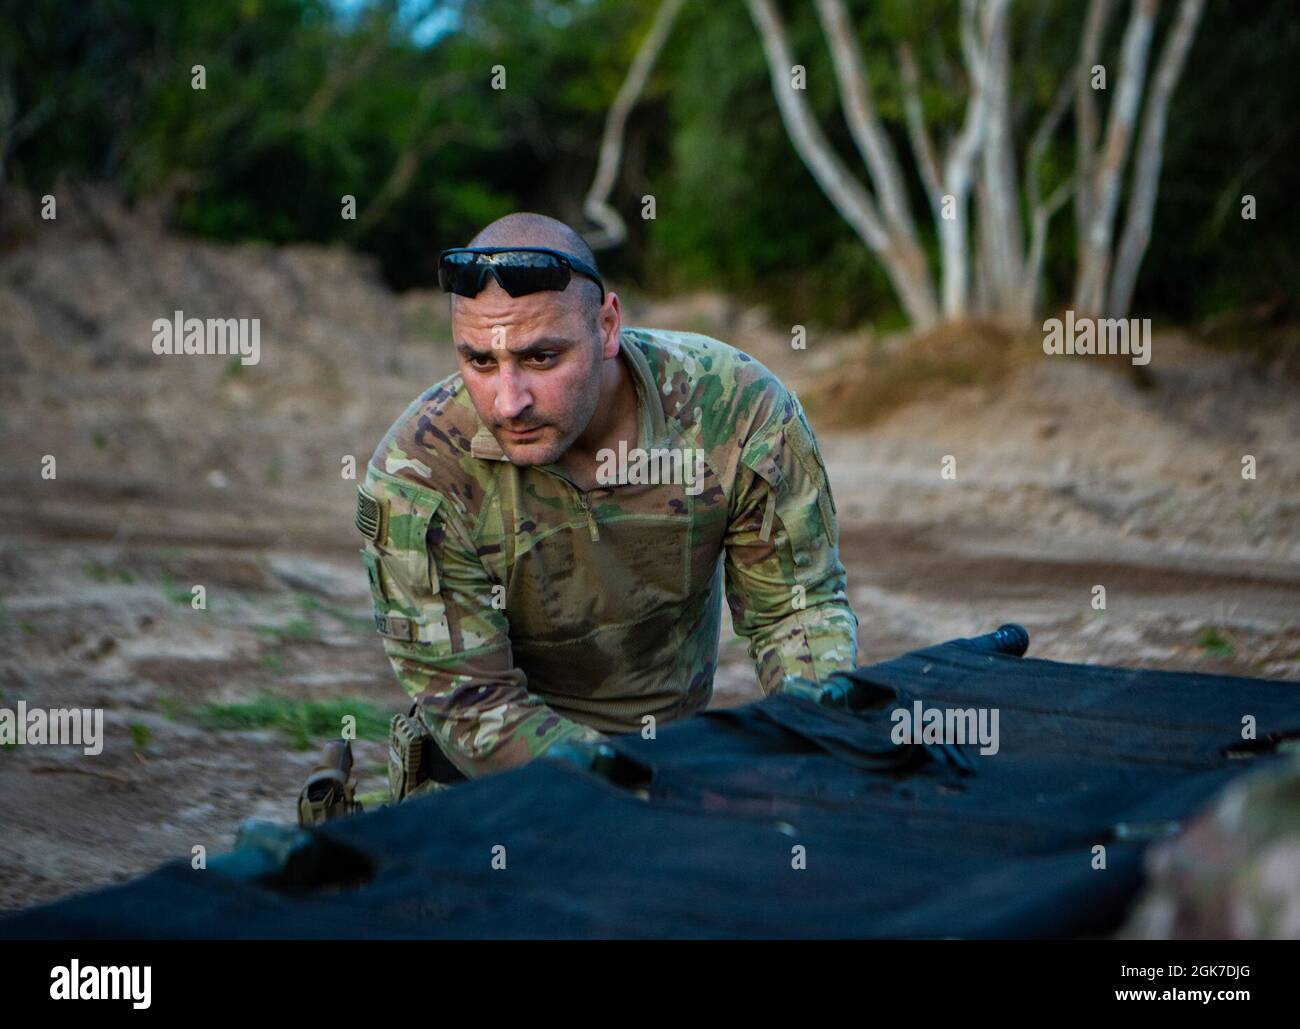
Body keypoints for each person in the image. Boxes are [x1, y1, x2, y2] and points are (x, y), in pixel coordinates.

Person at [355, 211, 859, 797]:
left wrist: (817, 750)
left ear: (608, 326)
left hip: (670, 751)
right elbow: (473, 703)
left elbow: (796, 613)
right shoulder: (420, 473)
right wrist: (643, 791)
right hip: (492, 793)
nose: (508, 402)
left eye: (541, 358)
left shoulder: (735, 410)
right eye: (480, 362)